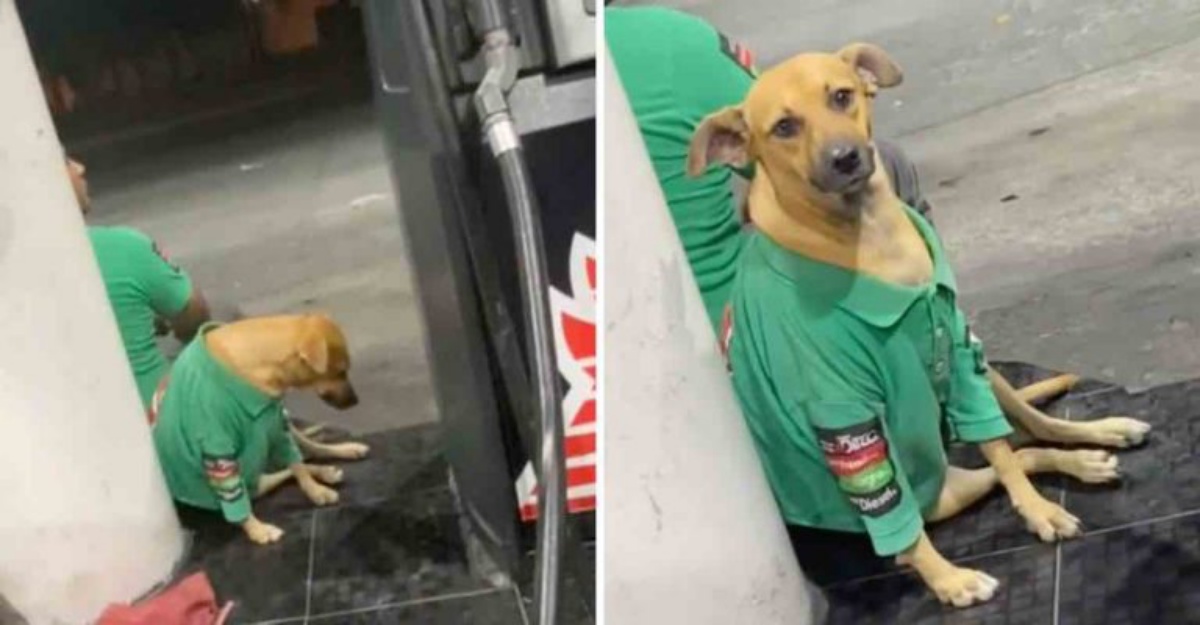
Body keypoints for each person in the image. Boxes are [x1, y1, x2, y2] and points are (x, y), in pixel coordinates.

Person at [606, 5, 931, 332]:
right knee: (884, 161)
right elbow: (769, 137)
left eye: (842, 99)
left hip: (623, 342)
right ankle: (933, 318)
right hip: (736, 324)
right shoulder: (667, 39)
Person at [67, 157, 211, 411]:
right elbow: (194, 314)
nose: (80, 167)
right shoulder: (122, 246)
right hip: (155, 422)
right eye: (64, 160)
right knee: (222, 320)